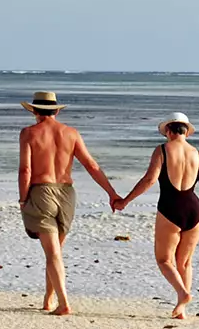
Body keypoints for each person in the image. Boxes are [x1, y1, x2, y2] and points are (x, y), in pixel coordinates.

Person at [17, 90, 122, 316]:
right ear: (55, 110)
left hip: (41, 192)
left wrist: (23, 198)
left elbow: (25, 169)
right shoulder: (71, 133)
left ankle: (63, 303)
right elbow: (92, 165)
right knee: (56, 251)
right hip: (66, 194)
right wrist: (111, 193)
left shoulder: (29, 133)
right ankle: (48, 299)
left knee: (53, 252)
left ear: (34, 111)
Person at [114, 111, 199, 320]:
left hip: (171, 208)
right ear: (186, 132)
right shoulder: (197, 153)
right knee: (185, 262)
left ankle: (182, 293)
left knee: (164, 260)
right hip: (194, 209)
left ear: (168, 131)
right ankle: (181, 309)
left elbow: (150, 180)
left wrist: (125, 201)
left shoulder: (162, 150)